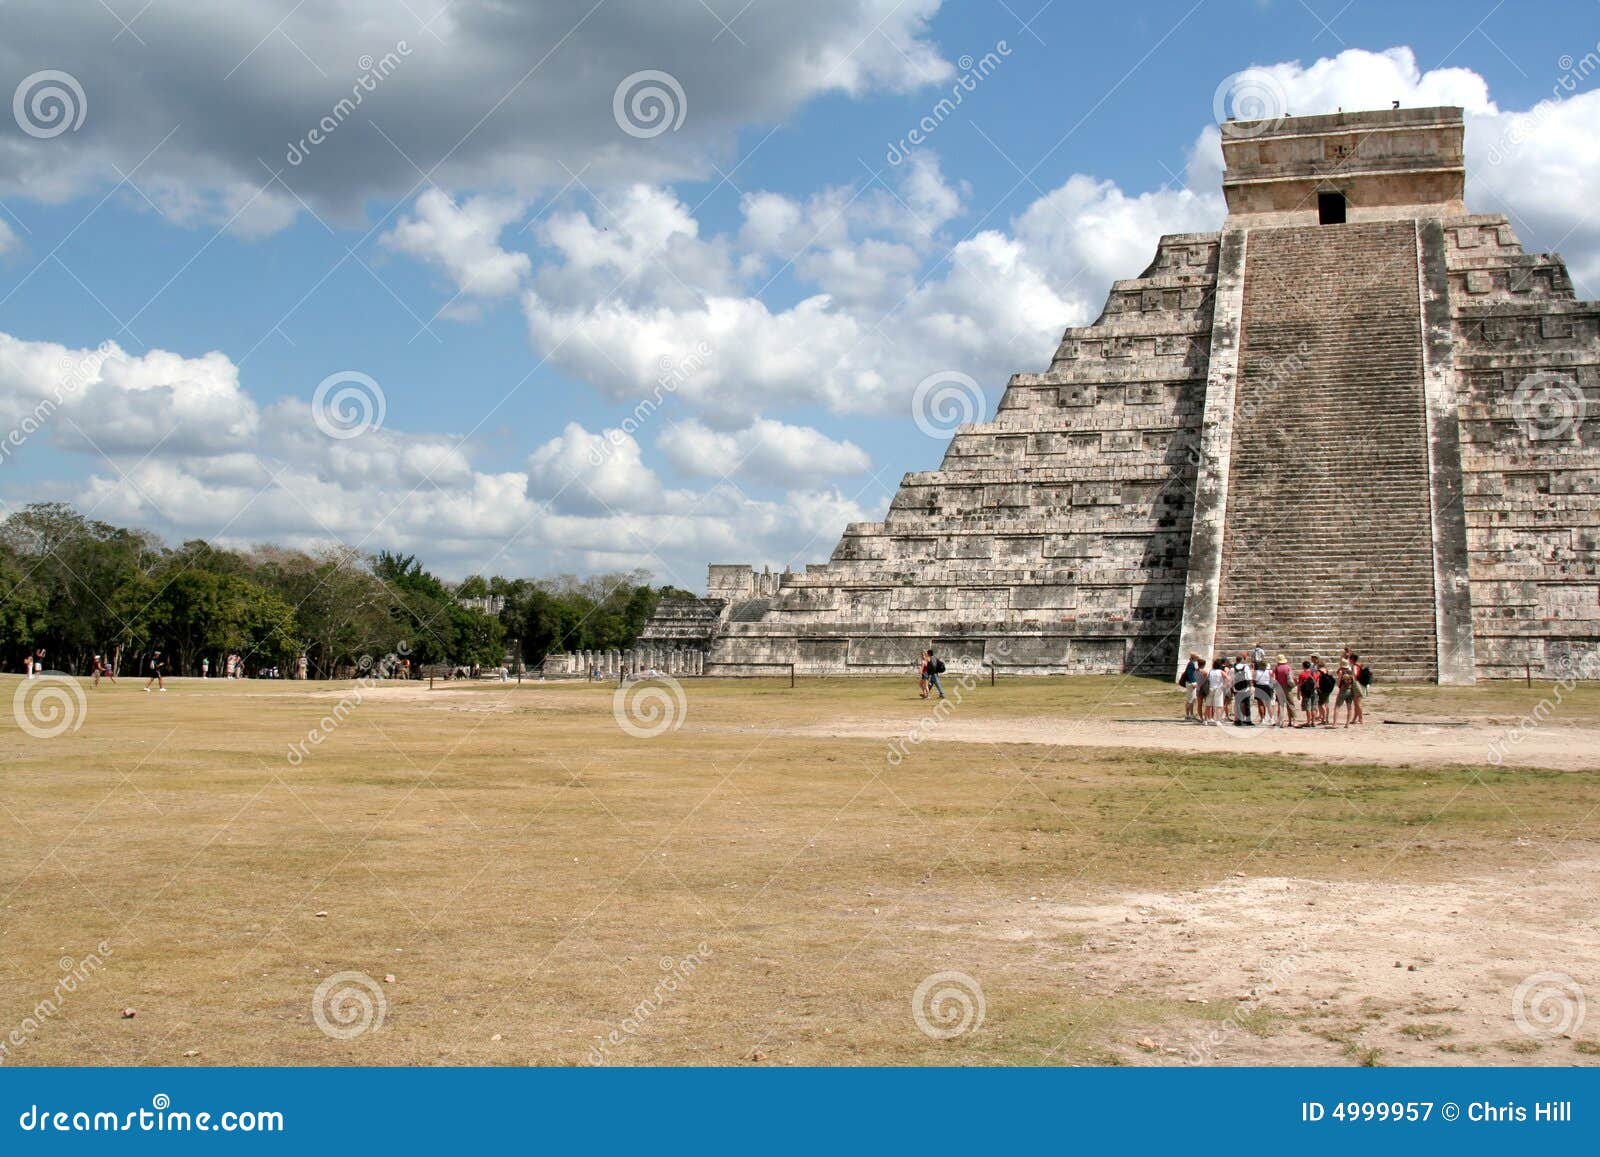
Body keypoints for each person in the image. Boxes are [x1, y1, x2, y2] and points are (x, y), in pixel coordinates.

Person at [1231, 654, 1255, 726]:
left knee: (1238, 705)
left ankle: (1239, 720)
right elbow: (1249, 678)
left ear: (1236, 660)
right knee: (1247, 705)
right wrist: (1251, 686)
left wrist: (1232, 688)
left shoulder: (1233, 668)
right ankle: (1248, 720)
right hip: (1245, 688)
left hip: (1236, 689)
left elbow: (1231, 679)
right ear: (1242, 660)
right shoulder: (1246, 667)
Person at [1272, 653, 1294, 727]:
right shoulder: (1288, 667)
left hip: (1279, 687)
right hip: (1287, 687)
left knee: (1281, 705)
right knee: (1290, 704)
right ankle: (1291, 720)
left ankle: (1281, 721)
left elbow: (1273, 678)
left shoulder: (1276, 668)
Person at [1178, 652, 1202, 721]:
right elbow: (1189, 674)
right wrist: (1192, 682)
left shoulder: (1192, 663)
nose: (1198, 658)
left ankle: (1191, 714)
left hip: (1191, 682)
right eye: (1197, 657)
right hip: (1190, 683)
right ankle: (1187, 715)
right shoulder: (1191, 664)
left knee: (1192, 699)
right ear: (1194, 658)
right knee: (1190, 700)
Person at [1333, 662, 1356, 727]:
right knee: (1349, 707)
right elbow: (1354, 681)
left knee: (1337, 707)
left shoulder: (1341, 672)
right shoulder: (1351, 672)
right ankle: (1347, 724)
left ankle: (1334, 724)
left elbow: (1338, 684)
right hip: (1350, 690)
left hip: (1343, 690)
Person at [1296, 661, 1317, 727]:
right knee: (1313, 707)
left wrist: (1298, 694)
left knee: (1308, 707)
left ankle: (1308, 721)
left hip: (1306, 693)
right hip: (1314, 692)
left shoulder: (1302, 674)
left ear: (1303, 666)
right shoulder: (1314, 673)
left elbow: (1299, 685)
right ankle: (1313, 722)